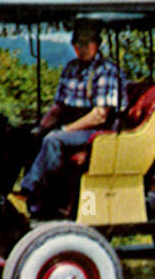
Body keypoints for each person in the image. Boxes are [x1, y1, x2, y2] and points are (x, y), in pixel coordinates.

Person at [12, 19, 128, 216]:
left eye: (87, 43)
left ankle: (31, 191)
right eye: (77, 43)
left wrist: (65, 130)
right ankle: (36, 206)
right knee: (26, 135)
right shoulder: (71, 68)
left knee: (53, 140)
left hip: (96, 128)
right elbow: (58, 107)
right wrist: (39, 128)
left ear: (97, 43)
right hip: (73, 123)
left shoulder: (106, 70)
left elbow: (100, 115)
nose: (81, 48)